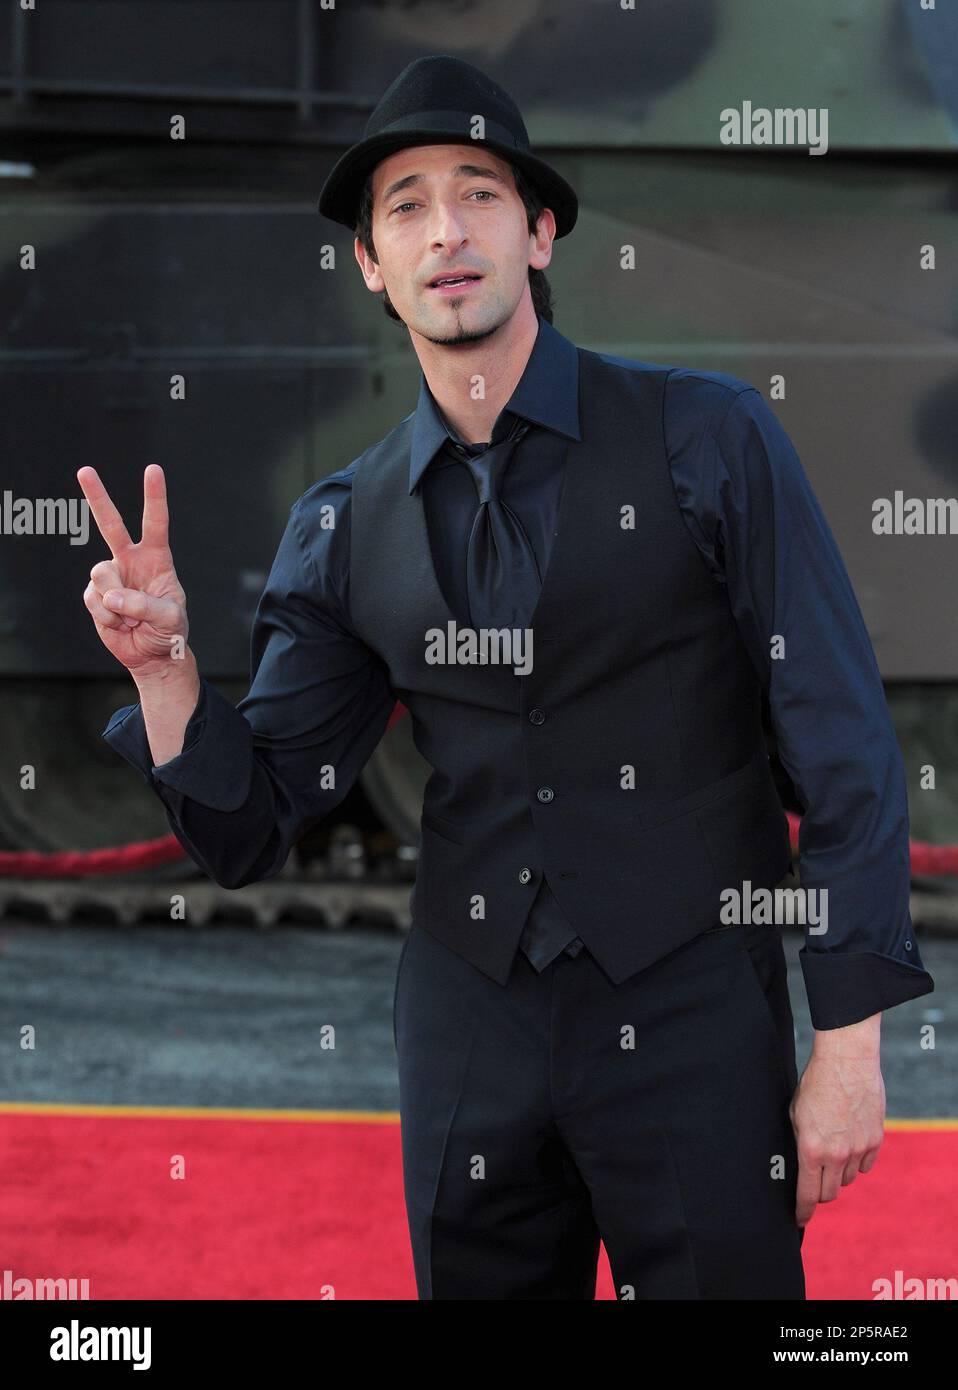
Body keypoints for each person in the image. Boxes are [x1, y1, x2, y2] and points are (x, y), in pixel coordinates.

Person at [78, 54, 934, 1300]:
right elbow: (254, 821)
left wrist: (847, 1046)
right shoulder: (342, 522)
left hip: (694, 1015)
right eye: (405, 205)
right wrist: (164, 676)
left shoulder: (710, 440)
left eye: (478, 193)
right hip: (468, 1027)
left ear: (539, 232)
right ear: (371, 263)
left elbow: (843, 745)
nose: (446, 231)